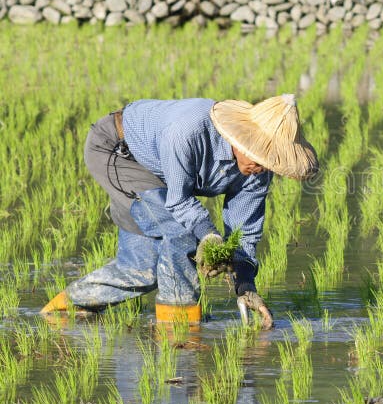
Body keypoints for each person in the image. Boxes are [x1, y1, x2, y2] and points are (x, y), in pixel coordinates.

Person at [40, 94, 318, 327]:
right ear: (239, 138)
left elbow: (244, 230)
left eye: (270, 160)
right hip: (121, 154)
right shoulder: (189, 131)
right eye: (258, 155)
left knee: (141, 270)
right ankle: (181, 329)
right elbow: (179, 202)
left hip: (161, 174)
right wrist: (208, 236)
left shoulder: (258, 171)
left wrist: (245, 285)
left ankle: (64, 308)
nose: (261, 167)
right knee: (183, 233)